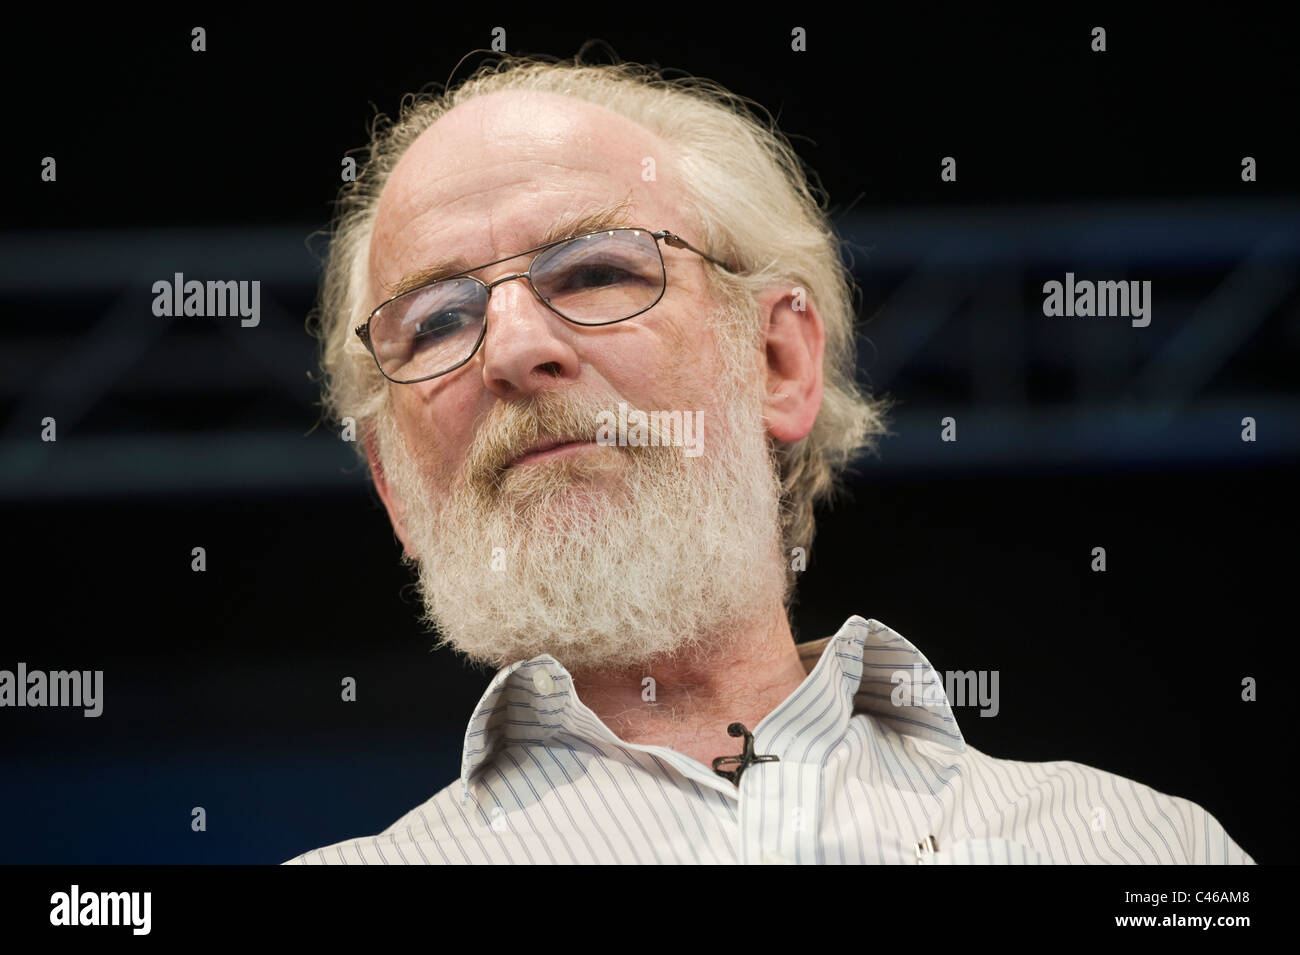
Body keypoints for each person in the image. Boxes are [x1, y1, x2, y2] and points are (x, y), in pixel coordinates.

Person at [287, 53, 1252, 864]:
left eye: (593, 271)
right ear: (394, 486)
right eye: (437, 320)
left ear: (779, 361)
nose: (509, 349)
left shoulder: (1145, 851)